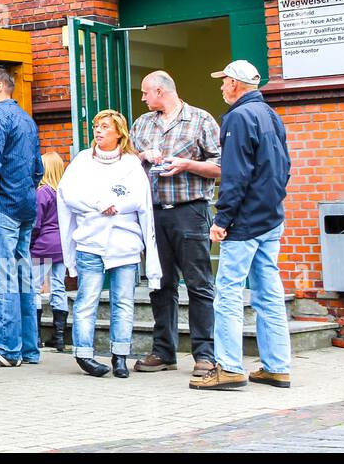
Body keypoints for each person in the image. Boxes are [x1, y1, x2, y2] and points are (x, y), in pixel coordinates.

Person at [192, 61, 293, 392]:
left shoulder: (238, 118)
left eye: (224, 82)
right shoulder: (270, 115)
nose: (221, 87)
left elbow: (235, 176)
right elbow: (284, 167)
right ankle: (277, 367)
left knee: (229, 294)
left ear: (235, 84)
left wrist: (222, 219)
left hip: (245, 222)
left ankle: (230, 367)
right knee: (269, 294)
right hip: (270, 217)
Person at [130, 70, 222, 377]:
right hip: (153, 213)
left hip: (190, 211)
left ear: (159, 91)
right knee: (160, 283)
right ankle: (163, 352)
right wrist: (142, 156)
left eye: (145, 92)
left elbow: (222, 166)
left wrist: (187, 165)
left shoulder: (201, 120)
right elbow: (126, 164)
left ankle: (205, 355)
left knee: (198, 285)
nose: (142, 98)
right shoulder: (142, 124)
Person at [58, 110, 161, 378]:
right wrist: (98, 203)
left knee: (124, 302)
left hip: (124, 244)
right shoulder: (82, 161)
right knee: (86, 300)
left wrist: (118, 204)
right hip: (90, 243)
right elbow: (68, 193)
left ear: (119, 133)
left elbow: (140, 199)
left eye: (105, 126)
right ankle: (84, 355)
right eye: (96, 126)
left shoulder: (130, 164)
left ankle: (120, 356)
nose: (98, 131)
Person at [0, 66, 44, 368]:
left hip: (0, 205)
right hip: (26, 204)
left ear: (0, 88)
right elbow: (37, 167)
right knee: (24, 276)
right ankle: (29, 349)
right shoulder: (27, 119)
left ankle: (6, 350)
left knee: (2, 278)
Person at [32, 151, 68, 352]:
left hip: (43, 245)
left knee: (34, 288)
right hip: (62, 246)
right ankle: (59, 338)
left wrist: (30, 244)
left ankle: (35, 336)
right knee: (59, 287)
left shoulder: (42, 193)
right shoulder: (64, 192)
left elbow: (36, 223)